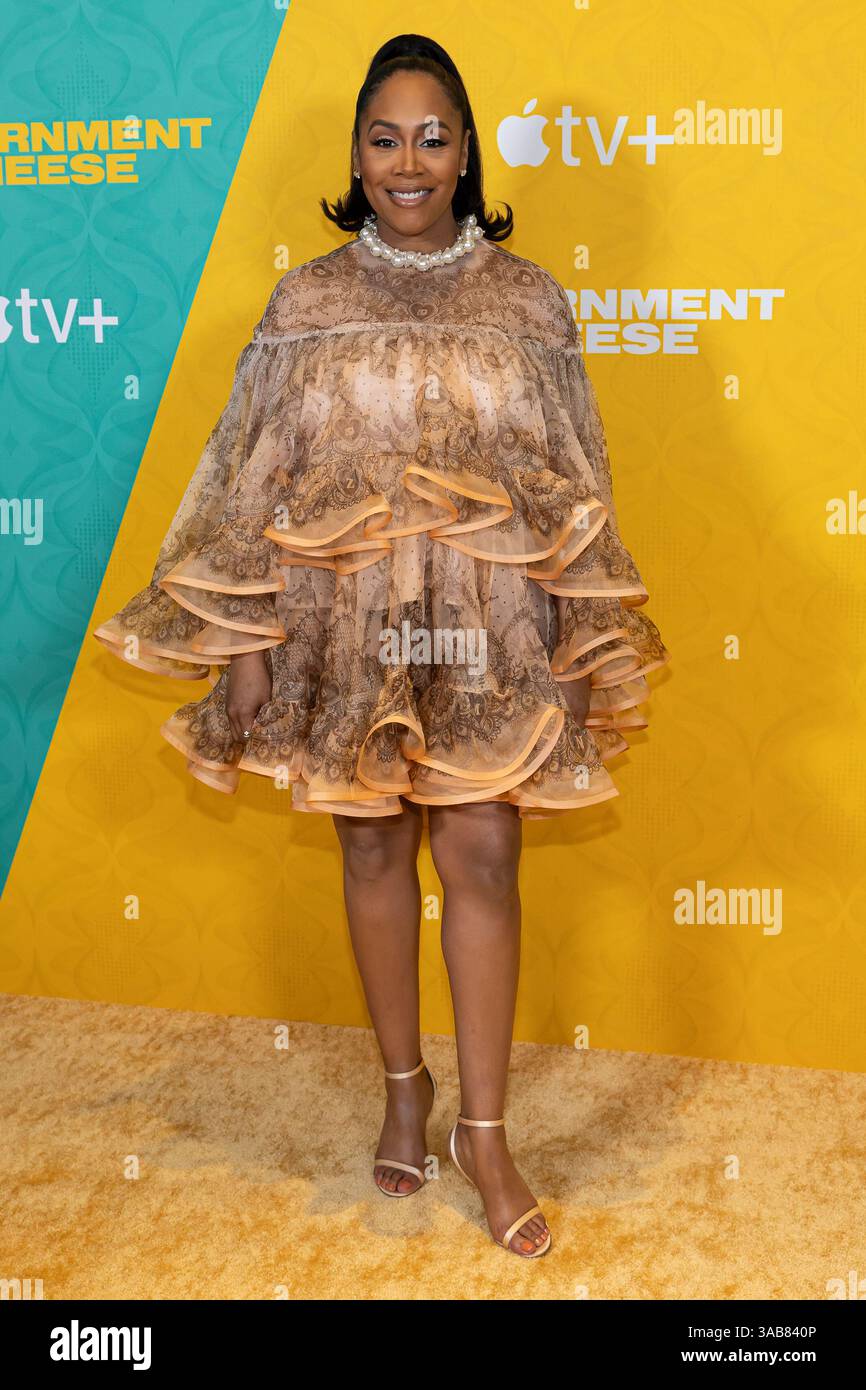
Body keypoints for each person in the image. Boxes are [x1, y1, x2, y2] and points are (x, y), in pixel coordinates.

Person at [93, 33, 670, 1259]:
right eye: (383, 136)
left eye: (432, 135)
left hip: (487, 630)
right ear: (356, 153)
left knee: (484, 851)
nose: (407, 161)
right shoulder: (306, 300)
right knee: (368, 851)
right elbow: (249, 475)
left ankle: (485, 1127)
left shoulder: (530, 298)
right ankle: (402, 1085)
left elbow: (577, 476)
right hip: (341, 626)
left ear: (467, 151)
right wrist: (242, 648)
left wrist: (575, 639)